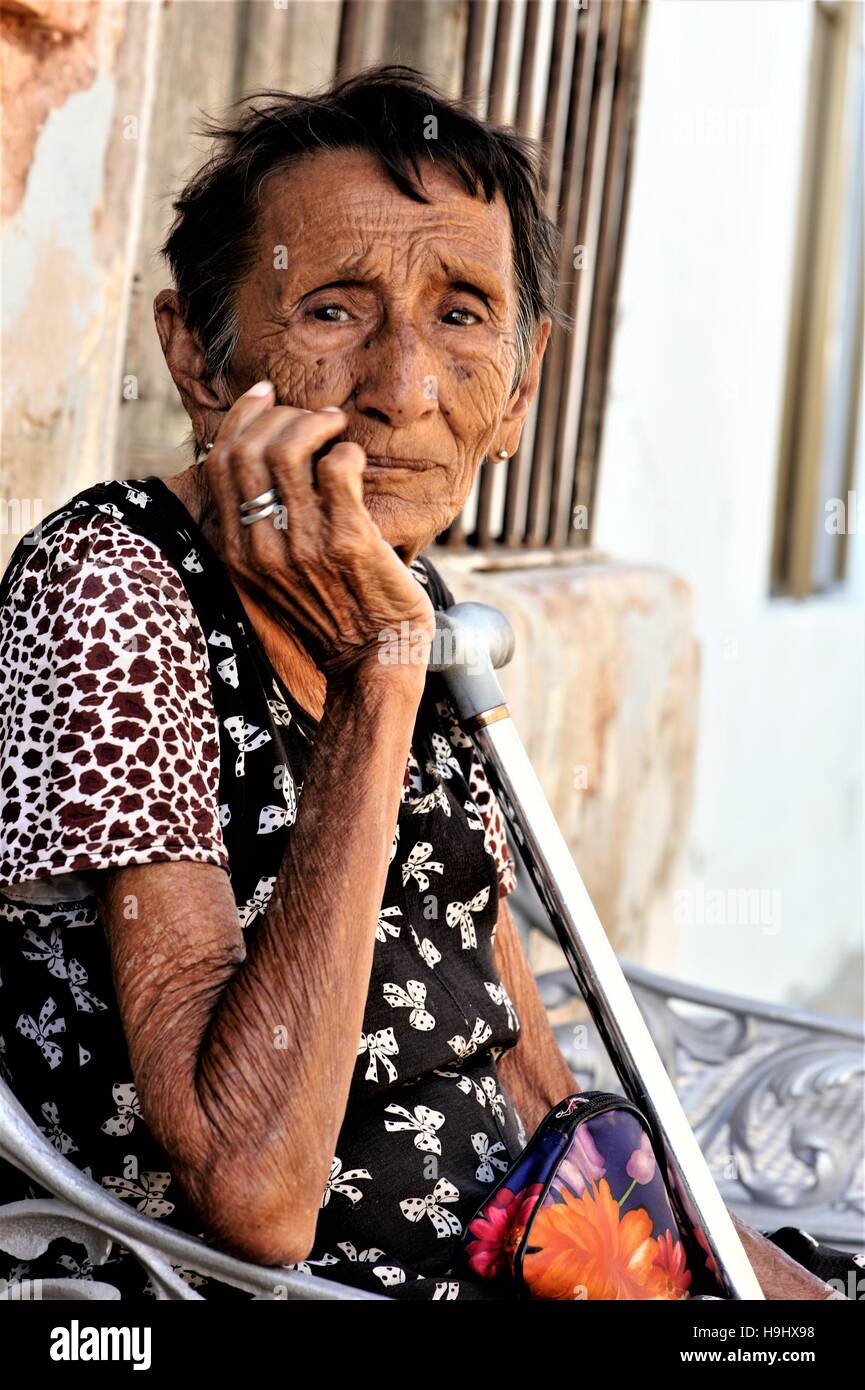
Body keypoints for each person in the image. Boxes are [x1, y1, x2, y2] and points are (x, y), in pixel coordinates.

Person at [0, 64, 844, 1302]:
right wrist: (379, 676)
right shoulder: (116, 586)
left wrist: (762, 1291)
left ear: (521, 384)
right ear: (196, 355)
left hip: (526, 1255)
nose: (403, 390)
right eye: (333, 311)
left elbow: (530, 1077)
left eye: (461, 315)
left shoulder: (409, 590)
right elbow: (255, 1190)